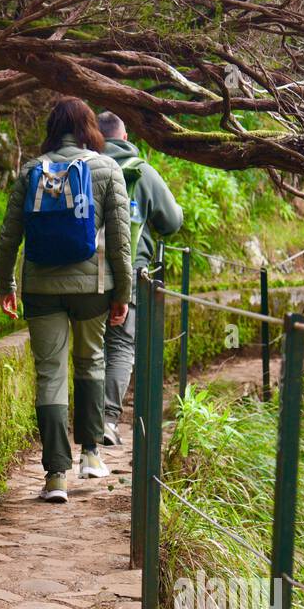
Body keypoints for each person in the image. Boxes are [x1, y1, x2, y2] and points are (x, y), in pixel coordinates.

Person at [0, 98, 133, 503]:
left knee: (49, 374)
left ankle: (56, 475)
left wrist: (5, 284)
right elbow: (121, 242)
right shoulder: (108, 169)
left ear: (53, 128)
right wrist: (122, 293)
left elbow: (8, 236)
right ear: (90, 128)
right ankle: (91, 455)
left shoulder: (31, 171)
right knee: (91, 361)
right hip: (92, 289)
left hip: (41, 288)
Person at [95, 111, 183, 447]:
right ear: (125, 137)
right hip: (129, 271)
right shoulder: (140, 171)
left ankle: (86, 416)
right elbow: (171, 221)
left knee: (91, 345)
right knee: (119, 346)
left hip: (83, 271)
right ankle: (106, 419)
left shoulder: (84, 166)